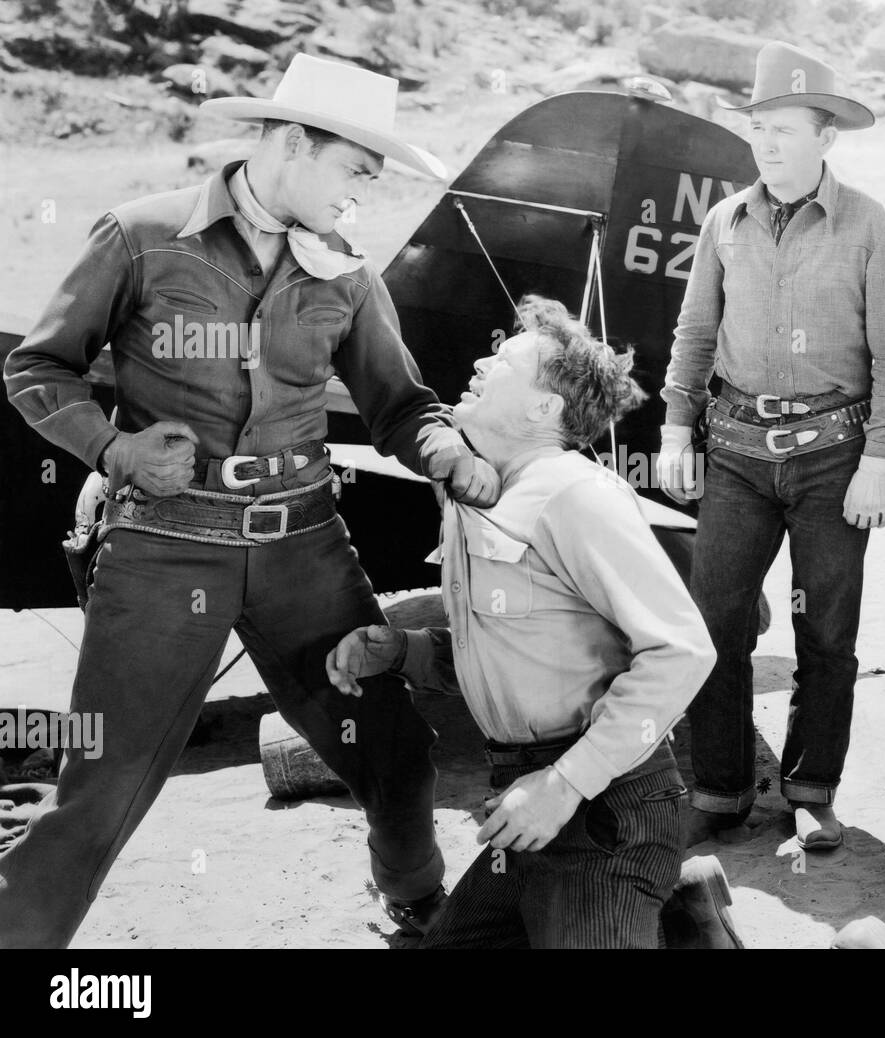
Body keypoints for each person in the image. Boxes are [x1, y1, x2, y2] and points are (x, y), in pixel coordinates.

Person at [0, 54, 501, 947]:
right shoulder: (140, 237)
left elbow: (400, 405)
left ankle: (419, 904)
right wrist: (112, 448)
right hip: (162, 549)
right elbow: (37, 367)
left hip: (303, 548)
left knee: (391, 750)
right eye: (354, 171)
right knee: (98, 793)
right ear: (293, 145)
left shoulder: (347, 274)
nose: (361, 198)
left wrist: (446, 451)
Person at [327, 296, 729, 948]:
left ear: (544, 409)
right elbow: (515, 658)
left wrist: (564, 785)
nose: (482, 360)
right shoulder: (475, 503)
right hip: (522, 811)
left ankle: (665, 912)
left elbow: (683, 651)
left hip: (607, 812)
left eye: (503, 359)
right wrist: (402, 652)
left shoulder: (578, 494)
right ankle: (681, 918)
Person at [657, 41, 885, 850]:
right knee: (714, 624)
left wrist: (880, 461)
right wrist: (676, 424)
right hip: (735, 451)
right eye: (759, 126)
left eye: (785, 127)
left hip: (834, 458)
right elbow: (695, 330)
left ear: (827, 137)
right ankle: (719, 789)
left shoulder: (876, 226)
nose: (767, 142)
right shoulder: (723, 221)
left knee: (827, 633)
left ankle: (812, 790)